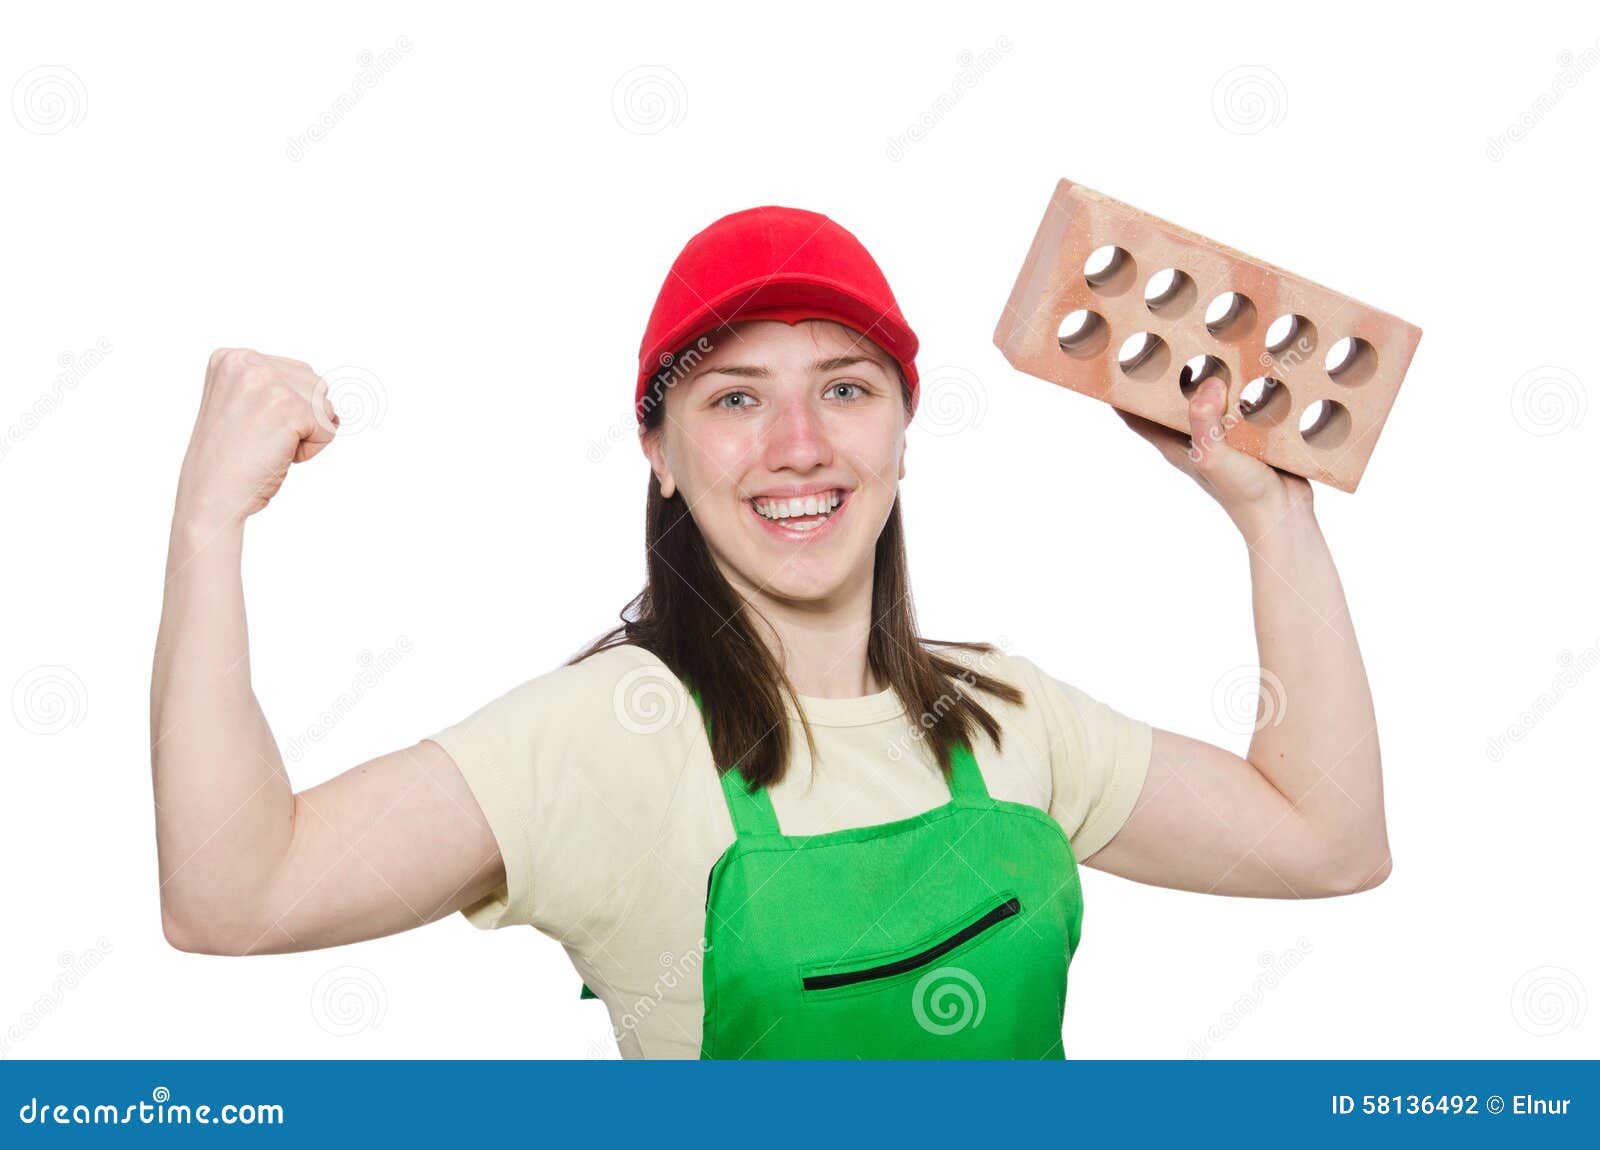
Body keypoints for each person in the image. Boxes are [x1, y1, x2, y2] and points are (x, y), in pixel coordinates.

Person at [151, 204, 1392, 1059]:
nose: (798, 445)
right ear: (660, 455)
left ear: (903, 432)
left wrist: (1271, 519)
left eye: (843, 389)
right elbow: (235, 895)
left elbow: (1325, 840)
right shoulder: (603, 739)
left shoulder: (1008, 715)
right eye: (735, 397)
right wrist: (209, 525)